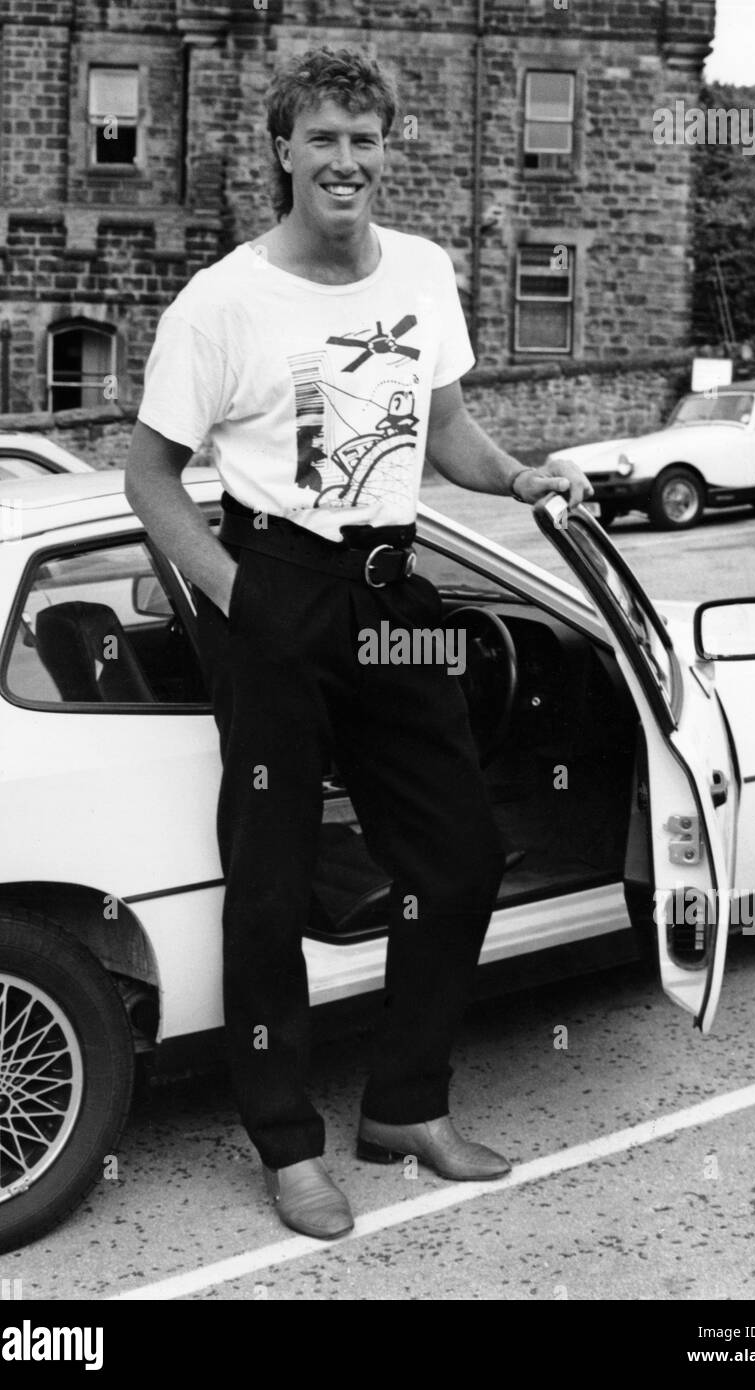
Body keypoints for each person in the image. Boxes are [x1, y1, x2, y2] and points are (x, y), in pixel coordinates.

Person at [125, 45, 592, 1240]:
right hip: (273, 583)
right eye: (322, 137)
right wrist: (240, 600)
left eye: (363, 137)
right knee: (270, 880)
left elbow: (446, 434)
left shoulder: (424, 273)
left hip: (392, 594)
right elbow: (149, 477)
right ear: (283, 152)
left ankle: (403, 1107)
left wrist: (521, 476)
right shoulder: (223, 301)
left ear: (388, 149)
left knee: (458, 853)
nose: (345, 159)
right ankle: (287, 1142)